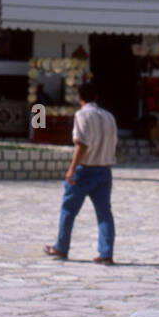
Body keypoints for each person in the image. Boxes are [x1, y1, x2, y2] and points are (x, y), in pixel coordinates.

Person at [43, 82, 118, 264]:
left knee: (68, 210)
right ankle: (106, 252)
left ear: (79, 97)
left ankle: (61, 247)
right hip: (105, 170)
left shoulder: (82, 115)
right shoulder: (109, 117)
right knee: (104, 213)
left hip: (85, 170)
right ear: (97, 96)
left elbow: (82, 144)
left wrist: (72, 168)